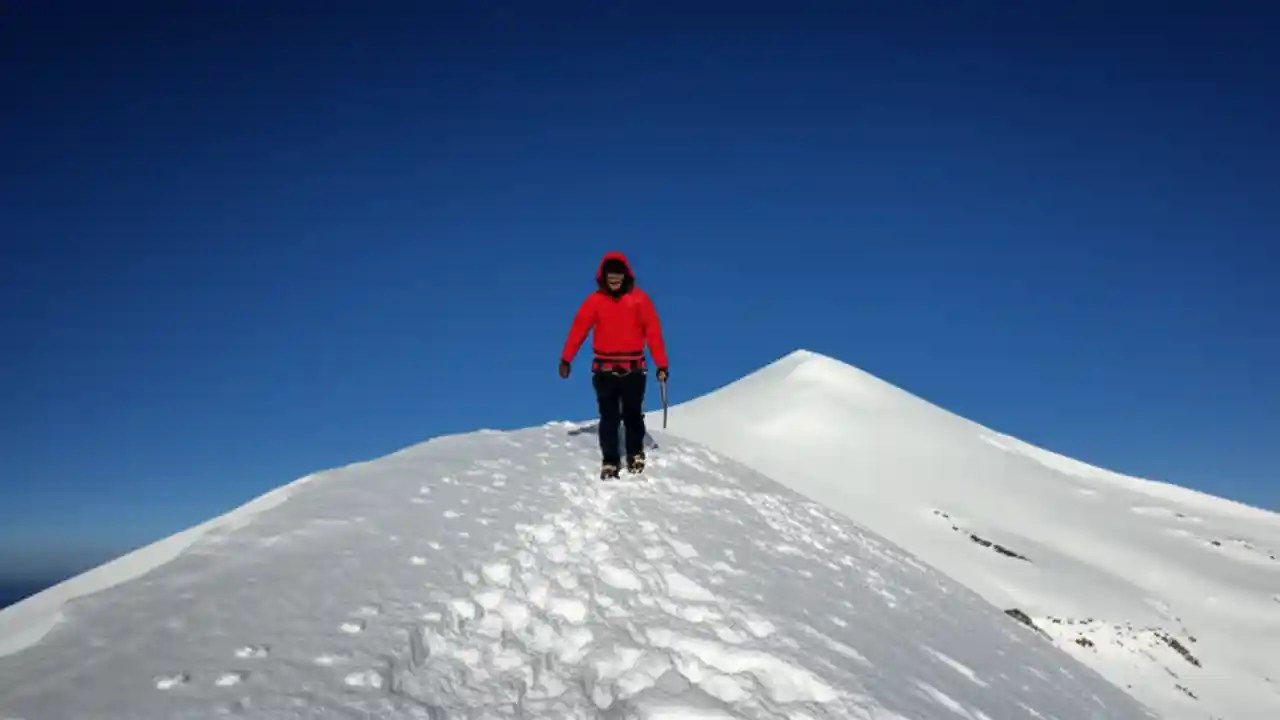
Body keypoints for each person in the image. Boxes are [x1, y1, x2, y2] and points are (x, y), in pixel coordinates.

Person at [559, 251, 669, 478]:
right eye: (610, 274)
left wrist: (661, 365)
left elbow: (653, 332)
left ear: (625, 274)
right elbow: (579, 329)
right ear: (604, 276)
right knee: (608, 417)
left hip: (634, 369)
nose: (614, 278)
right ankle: (610, 460)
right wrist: (566, 358)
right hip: (604, 370)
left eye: (618, 274)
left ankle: (635, 453)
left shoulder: (639, 299)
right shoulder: (594, 301)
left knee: (632, 415)